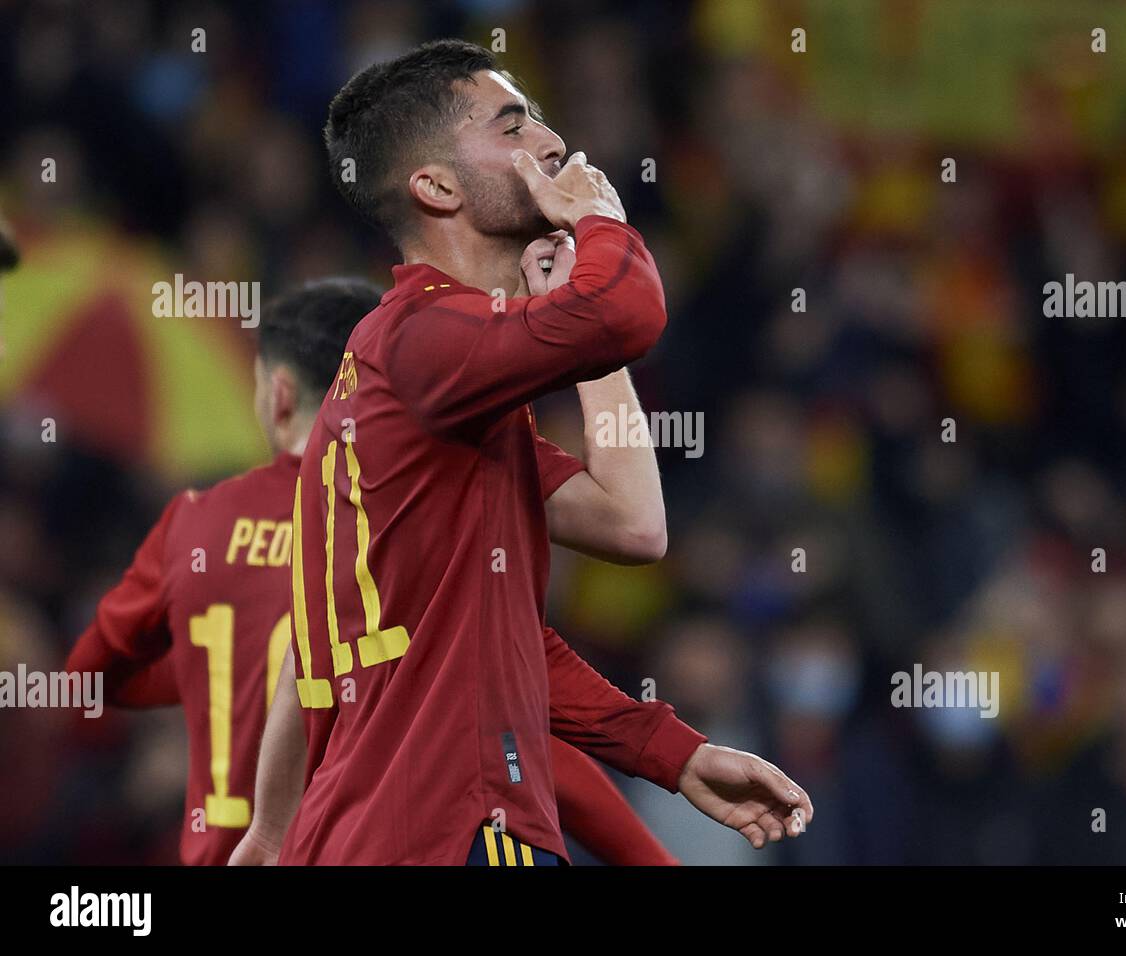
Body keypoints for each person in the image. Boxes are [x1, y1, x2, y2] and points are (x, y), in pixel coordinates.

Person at [272, 38, 811, 866]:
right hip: (453, 830)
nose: (553, 143)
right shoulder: (423, 341)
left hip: (375, 835)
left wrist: (672, 754)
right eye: (514, 126)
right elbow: (629, 311)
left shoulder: (419, 384)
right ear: (436, 186)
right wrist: (599, 224)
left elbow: (631, 525)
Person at [66, 277, 677, 865]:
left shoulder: (194, 523)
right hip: (399, 827)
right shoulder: (429, 504)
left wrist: (207, 679)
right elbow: (513, 728)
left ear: (278, 394)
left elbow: (88, 679)